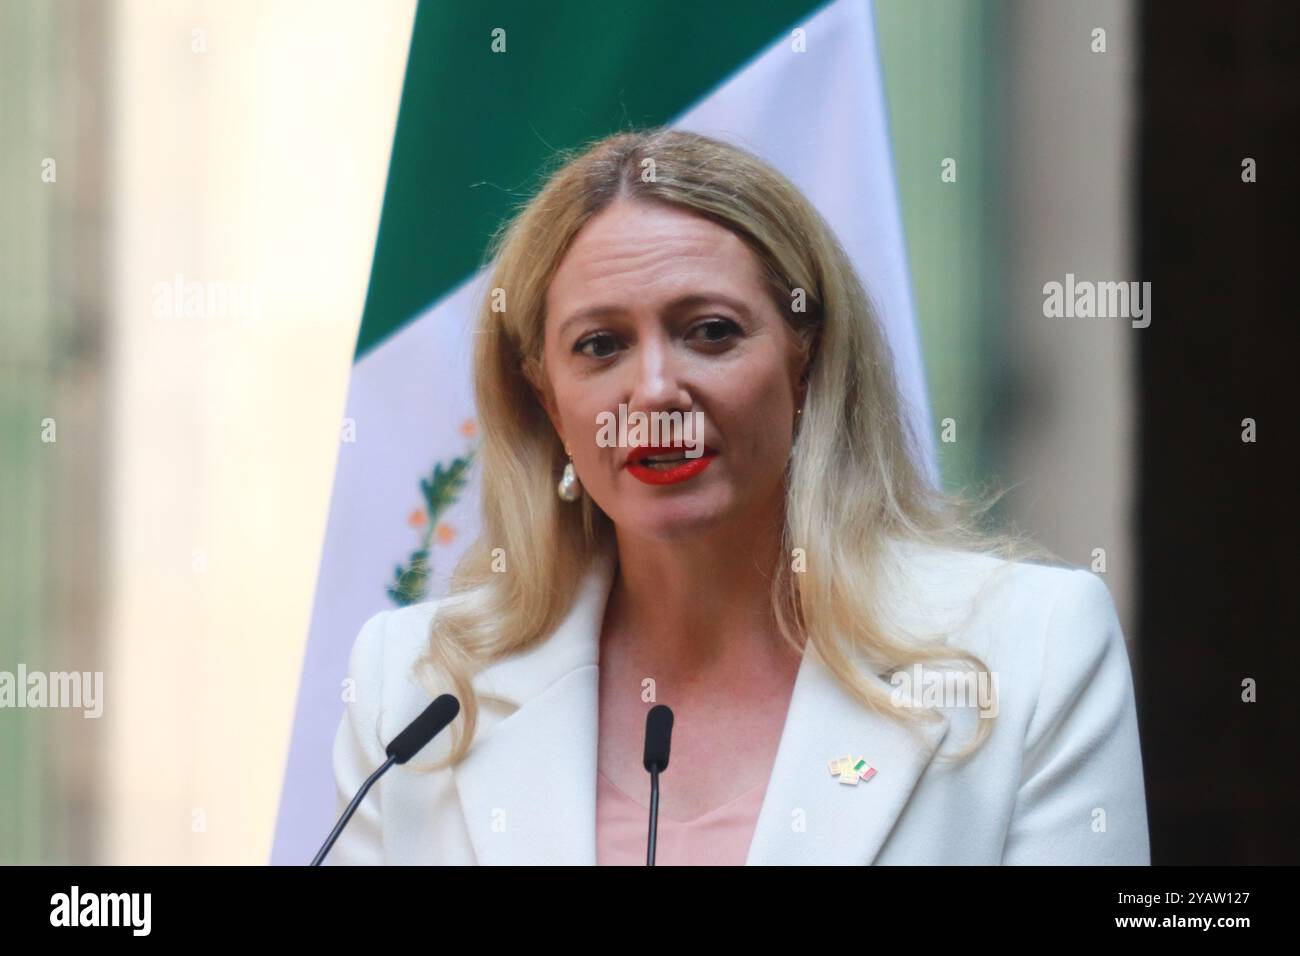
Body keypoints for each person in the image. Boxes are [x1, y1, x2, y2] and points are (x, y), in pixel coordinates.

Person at [326, 128, 1150, 865]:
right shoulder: (418, 686)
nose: (654, 391)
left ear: (806, 361)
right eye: (601, 345)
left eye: (710, 331)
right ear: (547, 403)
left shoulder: (1030, 652)